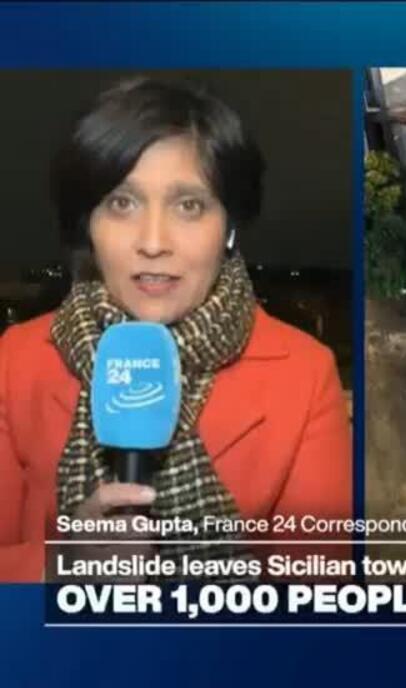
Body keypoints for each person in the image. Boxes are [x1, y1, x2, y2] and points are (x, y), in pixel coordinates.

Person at [0, 78, 352, 581]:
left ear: (229, 226)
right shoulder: (16, 361)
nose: (153, 241)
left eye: (189, 205)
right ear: (88, 225)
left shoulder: (306, 373)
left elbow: (316, 592)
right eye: (122, 203)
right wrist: (62, 565)